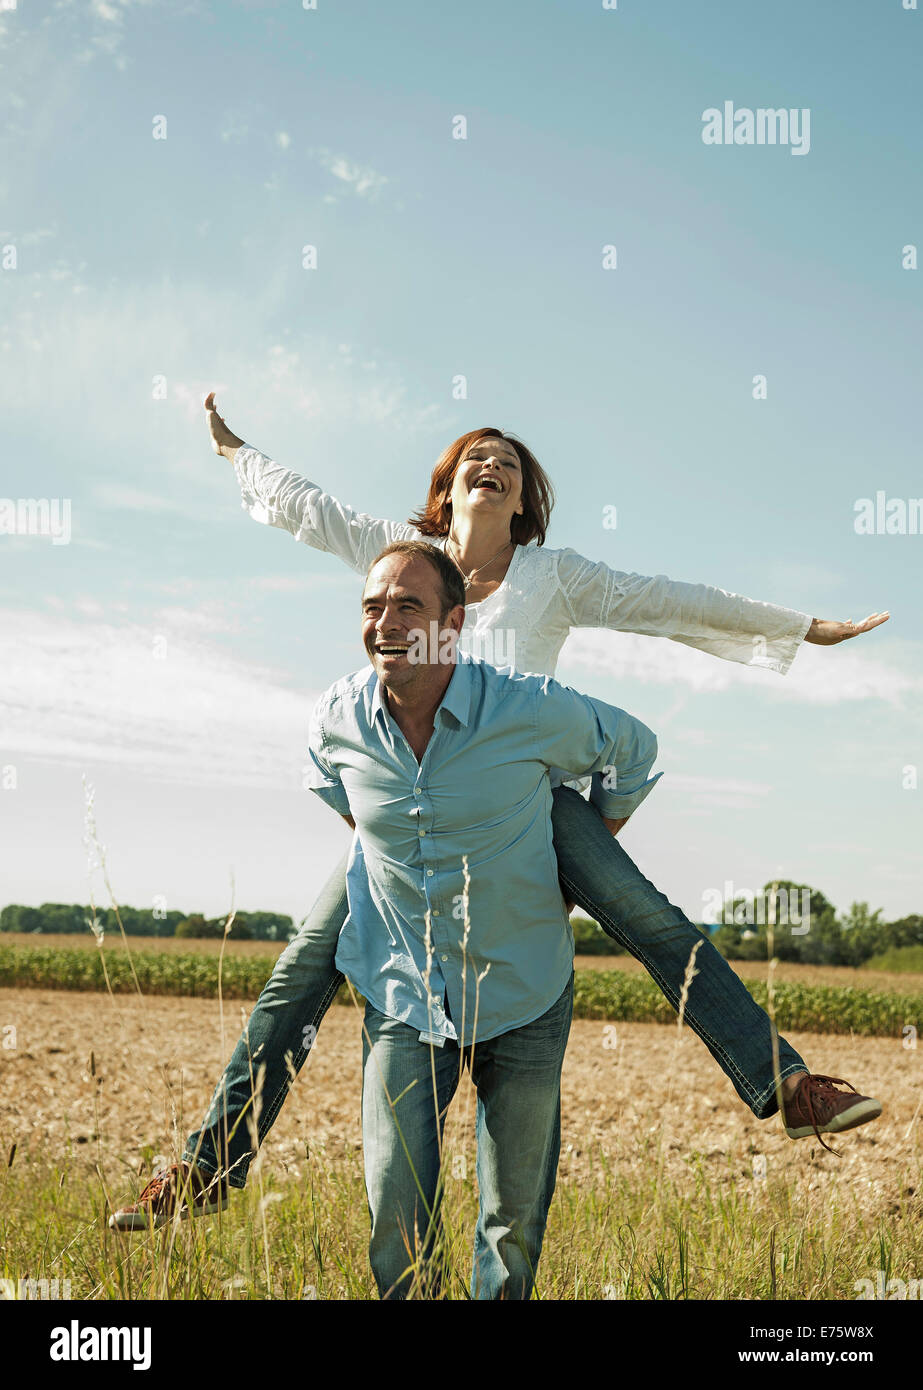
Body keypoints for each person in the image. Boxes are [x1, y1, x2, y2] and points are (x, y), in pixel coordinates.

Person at [108, 401, 885, 1232]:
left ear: (523, 502)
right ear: (445, 489)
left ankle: (787, 1085)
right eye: (475, 457)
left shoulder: (553, 576)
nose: (493, 465)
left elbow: (670, 601)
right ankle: (206, 1167)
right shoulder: (404, 564)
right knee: (299, 971)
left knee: (650, 921)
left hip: (533, 804)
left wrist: (799, 628)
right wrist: (234, 451)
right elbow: (308, 507)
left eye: (509, 465)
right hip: (409, 804)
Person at [308, 540, 662, 1298]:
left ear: (453, 622)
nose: (386, 621)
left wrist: (586, 855)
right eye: (372, 606)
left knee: (510, 1227)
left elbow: (633, 749)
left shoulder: (525, 707)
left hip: (523, 985)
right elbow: (330, 783)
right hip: (402, 989)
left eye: (409, 604)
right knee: (395, 1215)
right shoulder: (337, 718)